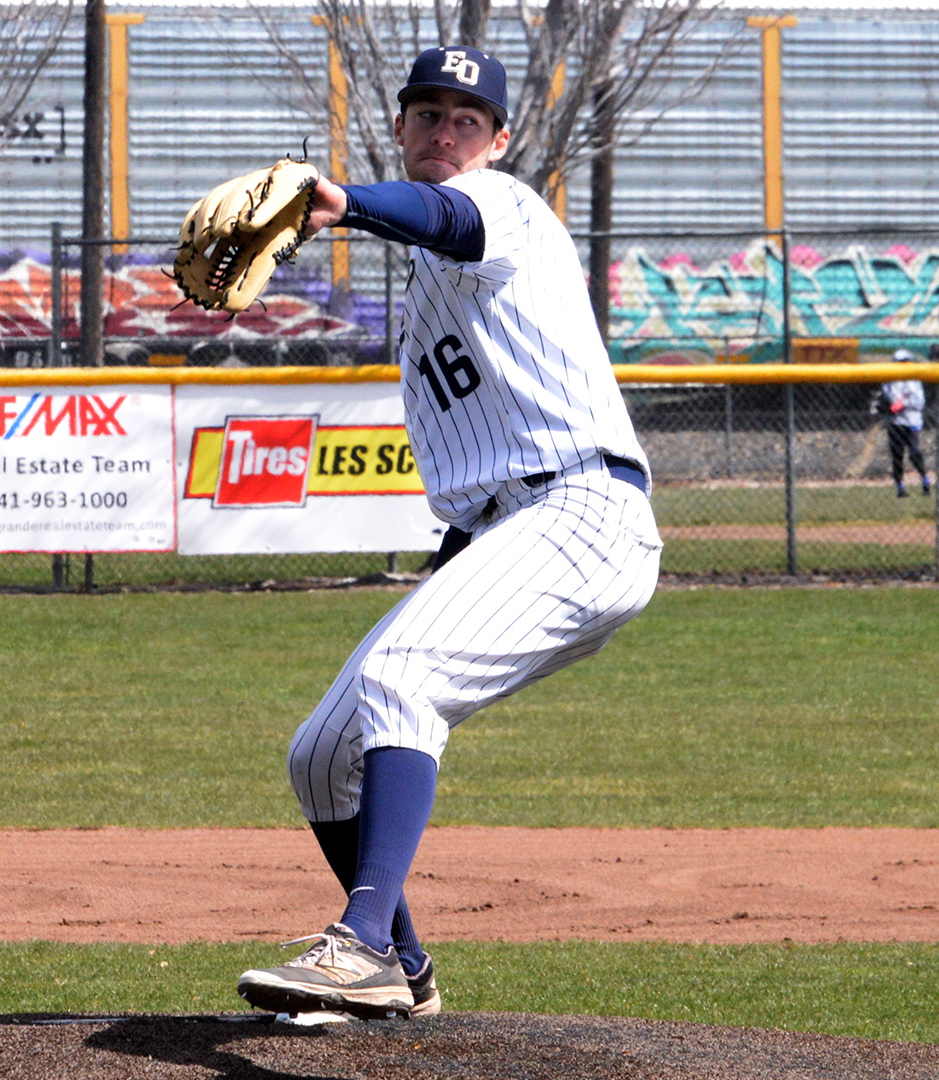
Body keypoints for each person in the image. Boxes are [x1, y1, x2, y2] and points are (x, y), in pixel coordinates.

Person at [231, 45, 662, 1020]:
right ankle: (405, 971)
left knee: (401, 684)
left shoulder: (504, 205)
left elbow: (445, 214)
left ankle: (359, 943)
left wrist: (336, 200)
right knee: (320, 753)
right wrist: (449, 575)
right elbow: (477, 483)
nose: (444, 130)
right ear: (401, 126)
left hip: (583, 511)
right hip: (518, 524)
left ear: (498, 140)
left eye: (466, 118)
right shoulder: (426, 297)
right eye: (426, 112)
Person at [872, 349, 930, 497]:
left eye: (906, 361)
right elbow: (884, 398)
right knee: (897, 455)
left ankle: (925, 480)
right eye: (900, 362)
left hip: (912, 421)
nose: (904, 364)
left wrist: (902, 403)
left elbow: (919, 402)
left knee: (914, 452)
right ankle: (900, 487)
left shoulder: (914, 379)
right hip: (895, 422)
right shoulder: (889, 379)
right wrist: (884, 407)